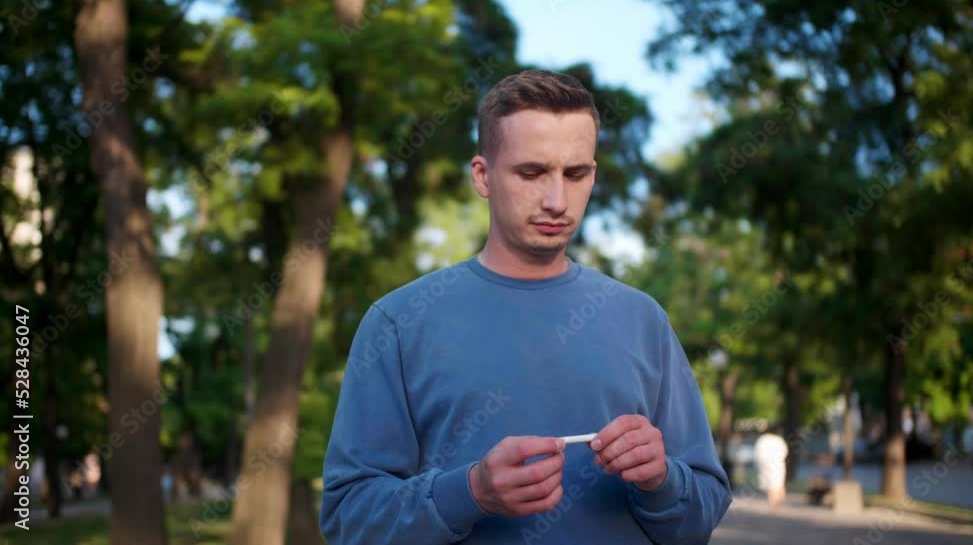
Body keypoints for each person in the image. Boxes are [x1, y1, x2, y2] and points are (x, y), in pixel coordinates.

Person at [320, 70, 732, 544]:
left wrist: (662, 480)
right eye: (532, 173)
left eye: (575, 174)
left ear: (592, 175)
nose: (557, 200)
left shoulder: (643, 321)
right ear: (483, 176)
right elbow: (348, 522)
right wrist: (469, 492)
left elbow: (702, 514)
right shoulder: (398, 323)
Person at [752, 426, 788, 508]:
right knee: (777, 482)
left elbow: (758, 453)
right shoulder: (778, 440)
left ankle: (773, 501)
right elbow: (784, 451)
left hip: (766, 464)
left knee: (771, 483)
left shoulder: (763, 439)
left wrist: (760, 463)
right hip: (777, 464)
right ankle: (776, 500)